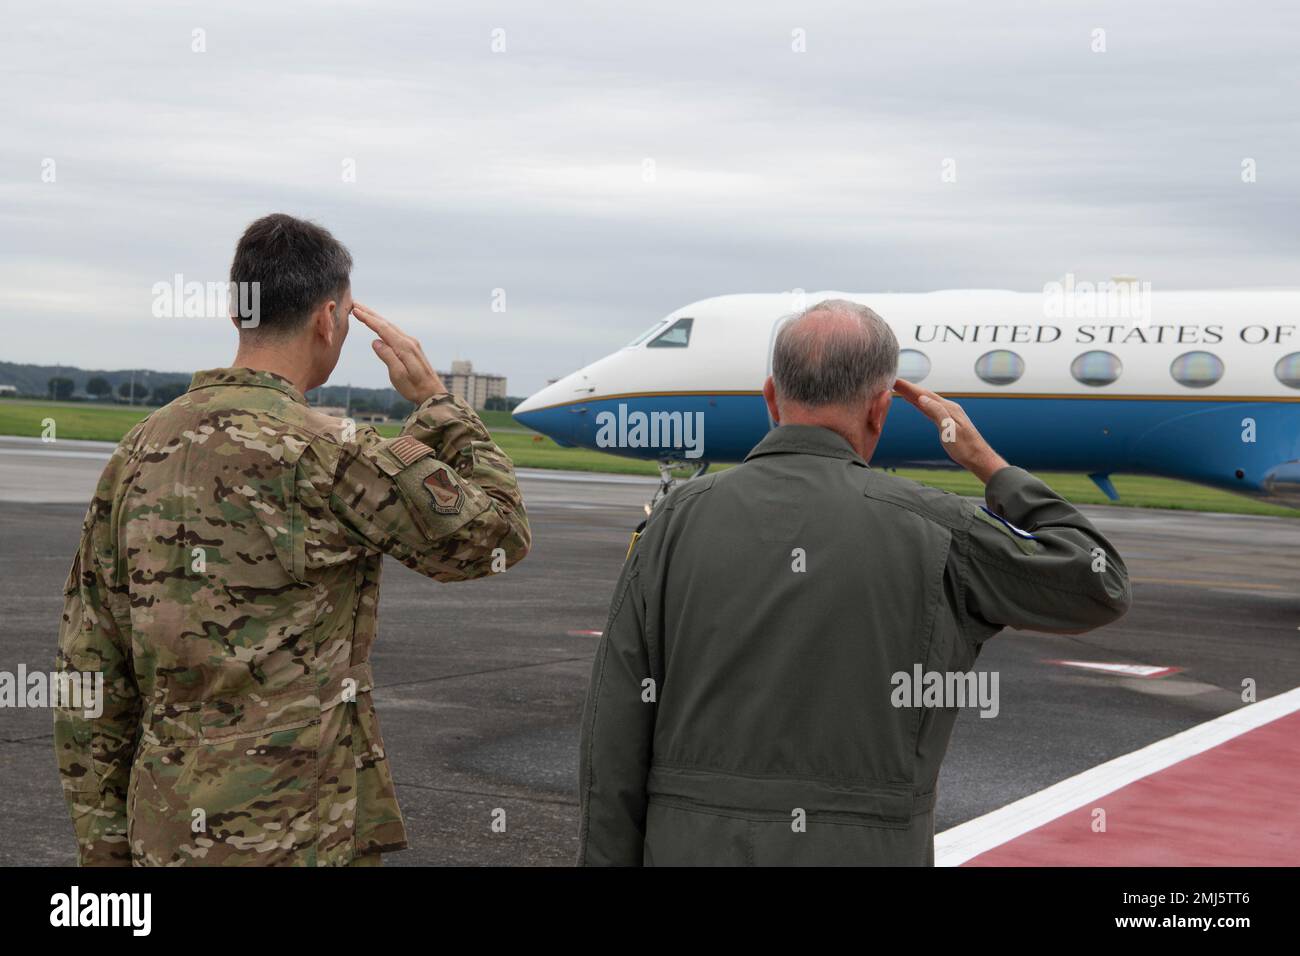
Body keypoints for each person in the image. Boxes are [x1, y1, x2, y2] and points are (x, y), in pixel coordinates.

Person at [577, 298, 1130, 866]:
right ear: (880, 410)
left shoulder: (672, 523)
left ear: (771, 396)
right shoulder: (943, 530)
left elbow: (613, 734)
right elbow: (1100, 581)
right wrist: (989, 463)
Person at [54, 213, 530, 866]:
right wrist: (436, 401)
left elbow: (90, 670)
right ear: (327, 321)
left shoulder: (139, 449)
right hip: (295, 837)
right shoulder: (332, 454)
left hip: (163, 833)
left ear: (236, 314)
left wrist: (108, 857)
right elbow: (498, 531)